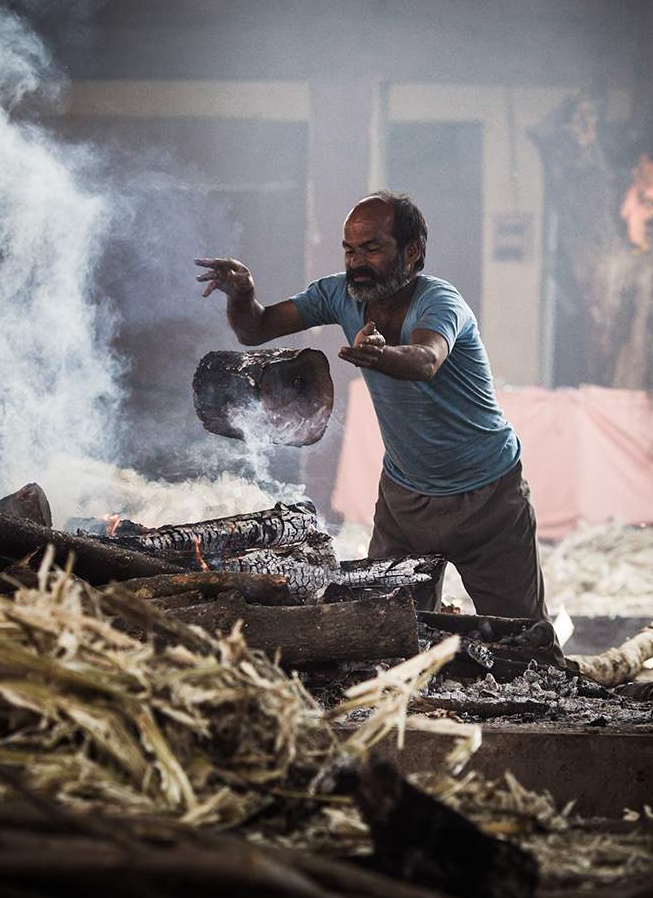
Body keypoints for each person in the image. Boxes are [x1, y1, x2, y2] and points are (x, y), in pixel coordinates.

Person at [195, 191, 548, 619]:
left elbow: (427, 359)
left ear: (412, 251)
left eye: (372, 248)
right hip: (405, 500)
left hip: (487, 496)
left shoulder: (440, 301)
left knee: (522, 636)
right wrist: (241, 294)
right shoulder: (339, 294)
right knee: (386, 627)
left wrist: (381, 355)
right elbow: (257, 329)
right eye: (349, 249)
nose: (356, 262)